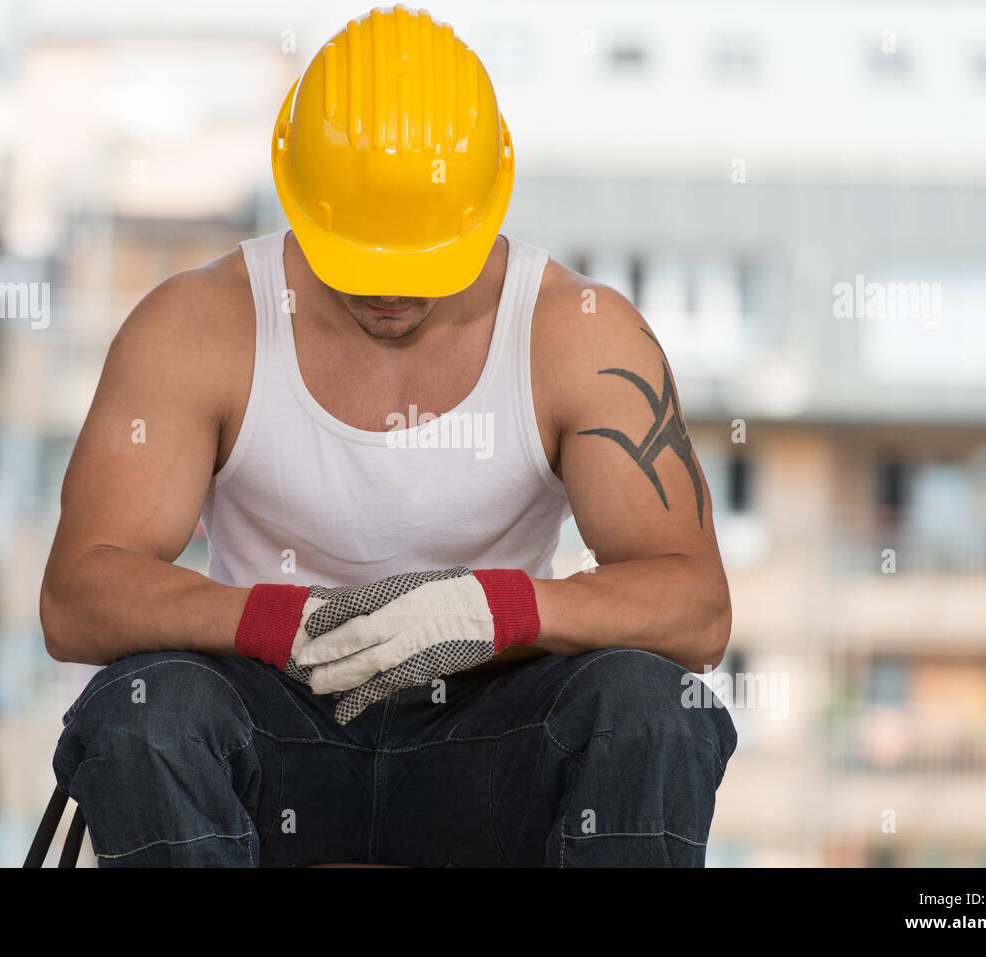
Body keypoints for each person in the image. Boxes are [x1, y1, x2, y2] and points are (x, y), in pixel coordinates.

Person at [41, 4, 737, 867]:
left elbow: (697, 609)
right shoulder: (197, 326)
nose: (393, 298)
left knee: (655, 706)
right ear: (302, 204)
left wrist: (499, 610)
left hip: (491, 742)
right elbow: (76, 598)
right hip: (273, 738)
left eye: (424, 267)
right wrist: (273, 620)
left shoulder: (579, 333)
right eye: (363, 263)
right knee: (146, 712)